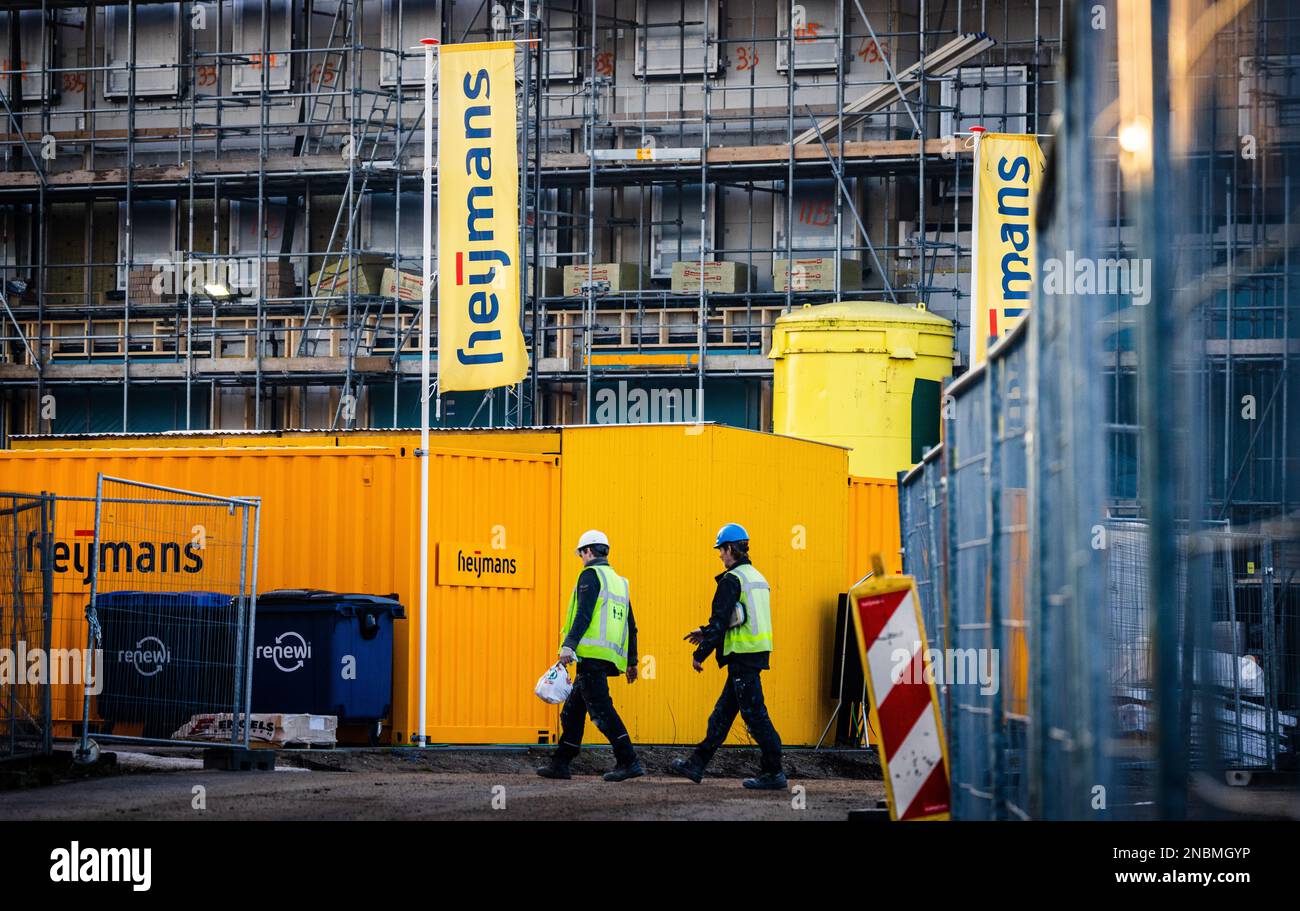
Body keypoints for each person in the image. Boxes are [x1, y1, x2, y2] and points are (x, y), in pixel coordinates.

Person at [668, 523, 785, 790]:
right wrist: (706, 631)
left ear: (730, 548)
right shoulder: (757, 577)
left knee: (756, 716)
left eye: (721, 550)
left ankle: (774, 771)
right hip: (751, 655)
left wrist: (701, 652)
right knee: (721, 716)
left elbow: (720, 621)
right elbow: (739, 617)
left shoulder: (732, 580)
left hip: (743, 657)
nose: (720, 556)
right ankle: (696, 763)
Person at [536, 529, 644, 782]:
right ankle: (561, 762)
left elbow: (583, 615)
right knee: (572, 711)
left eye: (581, 554)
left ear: (588, 551)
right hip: (605, 658)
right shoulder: (619, 582)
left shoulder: (590, 575)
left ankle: (628, 760)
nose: (581, 559)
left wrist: (568, 646)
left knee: (602, 711)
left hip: (590, 656)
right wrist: (632, 661)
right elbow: (632, 625)